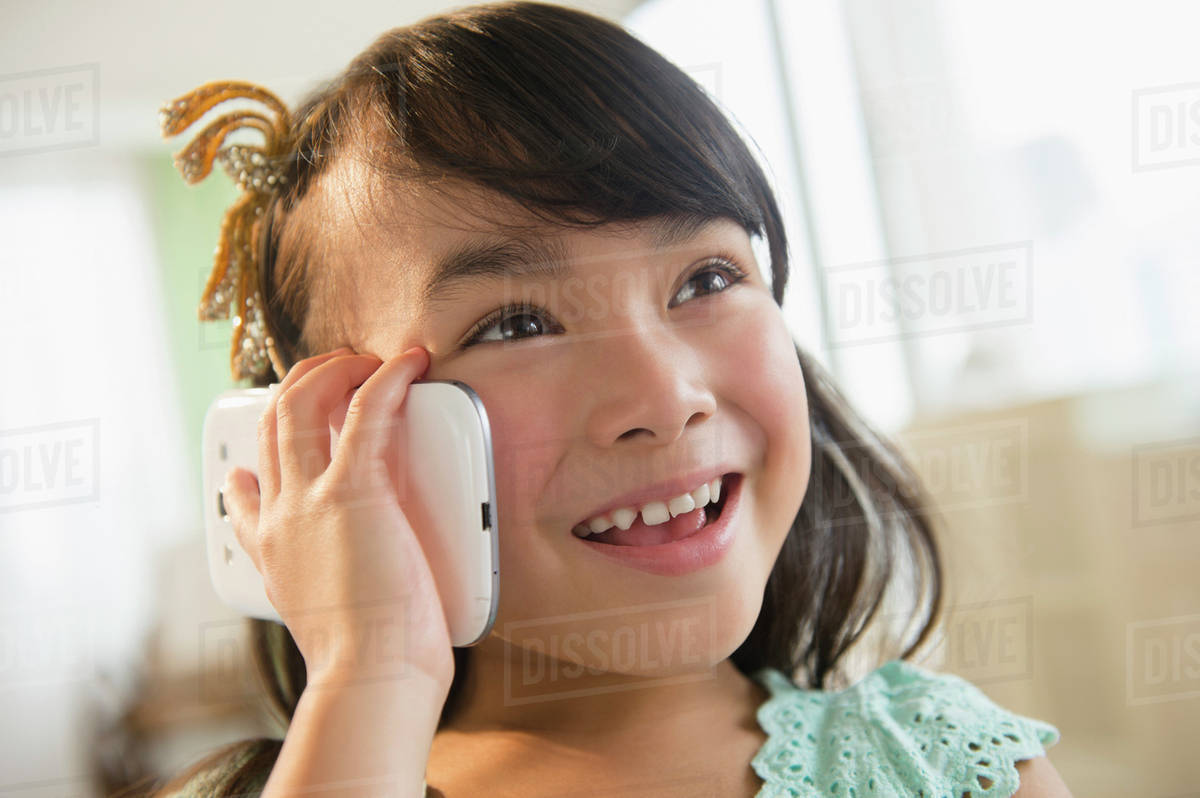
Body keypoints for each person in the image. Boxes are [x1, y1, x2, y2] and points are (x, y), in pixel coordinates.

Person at [151, 2, 1071, 795]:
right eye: (515, 325)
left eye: (707, 277)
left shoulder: (945, 764)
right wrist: (370, 678)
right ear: (332, 444)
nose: (665, 399)